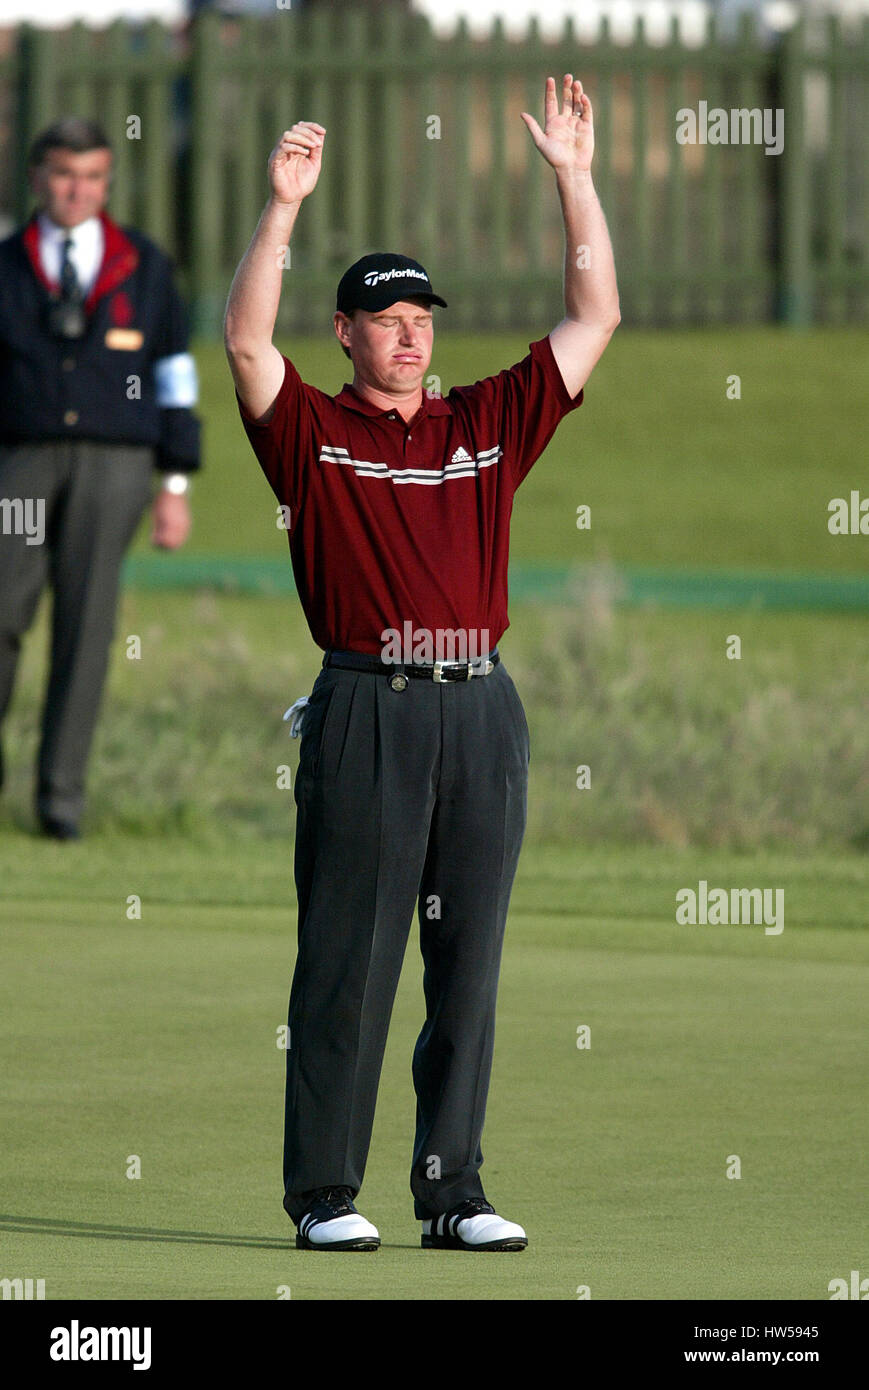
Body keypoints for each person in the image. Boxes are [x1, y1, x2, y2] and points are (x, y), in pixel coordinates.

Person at [224, 74, 619, 1251]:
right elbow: (245, 336)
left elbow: (592, 320)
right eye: (386, 318)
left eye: (422, 317)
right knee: (345, 963)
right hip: (364, 704)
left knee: (469, 965)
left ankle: (452, 1195)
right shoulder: (310, 431)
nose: (409, 333)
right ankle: (324, 1198)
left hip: (480, 713)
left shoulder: (483, 425)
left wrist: (573, 178)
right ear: (344, 331)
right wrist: (282, 211)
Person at [0, 117, 201, 840]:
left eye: (91, 177)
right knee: (1, 609)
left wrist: (174, 483)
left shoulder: (144, 265)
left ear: (106, 181)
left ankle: (60, 802)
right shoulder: (8, 263)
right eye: (62, 174)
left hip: (116, 469)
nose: (76, 190)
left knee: (86, 629)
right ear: (36, 178)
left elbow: (175, 375)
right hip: (21, 468)